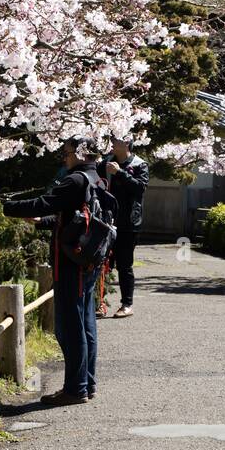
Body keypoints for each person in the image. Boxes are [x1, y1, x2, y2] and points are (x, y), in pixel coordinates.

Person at [2, 137, 106, 406]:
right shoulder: (98, 179)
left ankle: (75, 389)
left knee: (70, 327)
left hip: (71, 262)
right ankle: (87, 383)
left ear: (81, 154)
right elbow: (73, 216)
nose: (64, 158)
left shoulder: (76, 180)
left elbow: (43, 203)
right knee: (85, 324)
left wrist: (6, 206)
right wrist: (42, 222)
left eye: (67, 153)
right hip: (89, 260)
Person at [103, 136, 149, 318]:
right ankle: (100, 303)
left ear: (127, 144)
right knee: (102, 263)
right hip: (106, 220)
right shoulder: (106, 163)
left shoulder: (139, 164)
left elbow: (140, 188)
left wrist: (120, 173)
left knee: (124, 265)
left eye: (116, 140)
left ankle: (126, 304)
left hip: (129, 222)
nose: (112, 143)